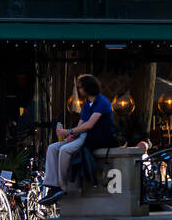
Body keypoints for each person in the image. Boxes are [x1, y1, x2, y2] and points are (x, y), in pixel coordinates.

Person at [41, 74, 116, 205]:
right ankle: (52, 185)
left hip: (94, 136)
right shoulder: (87, 104)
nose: (79, 90)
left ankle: (62, 186)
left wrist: (68, 131)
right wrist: (72, 135)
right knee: (53, 148)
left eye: (80, 87)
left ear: (87, 88)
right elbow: (81, 123)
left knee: (65, 150)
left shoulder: (102, 102)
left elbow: (89, 125)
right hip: (83, 134)